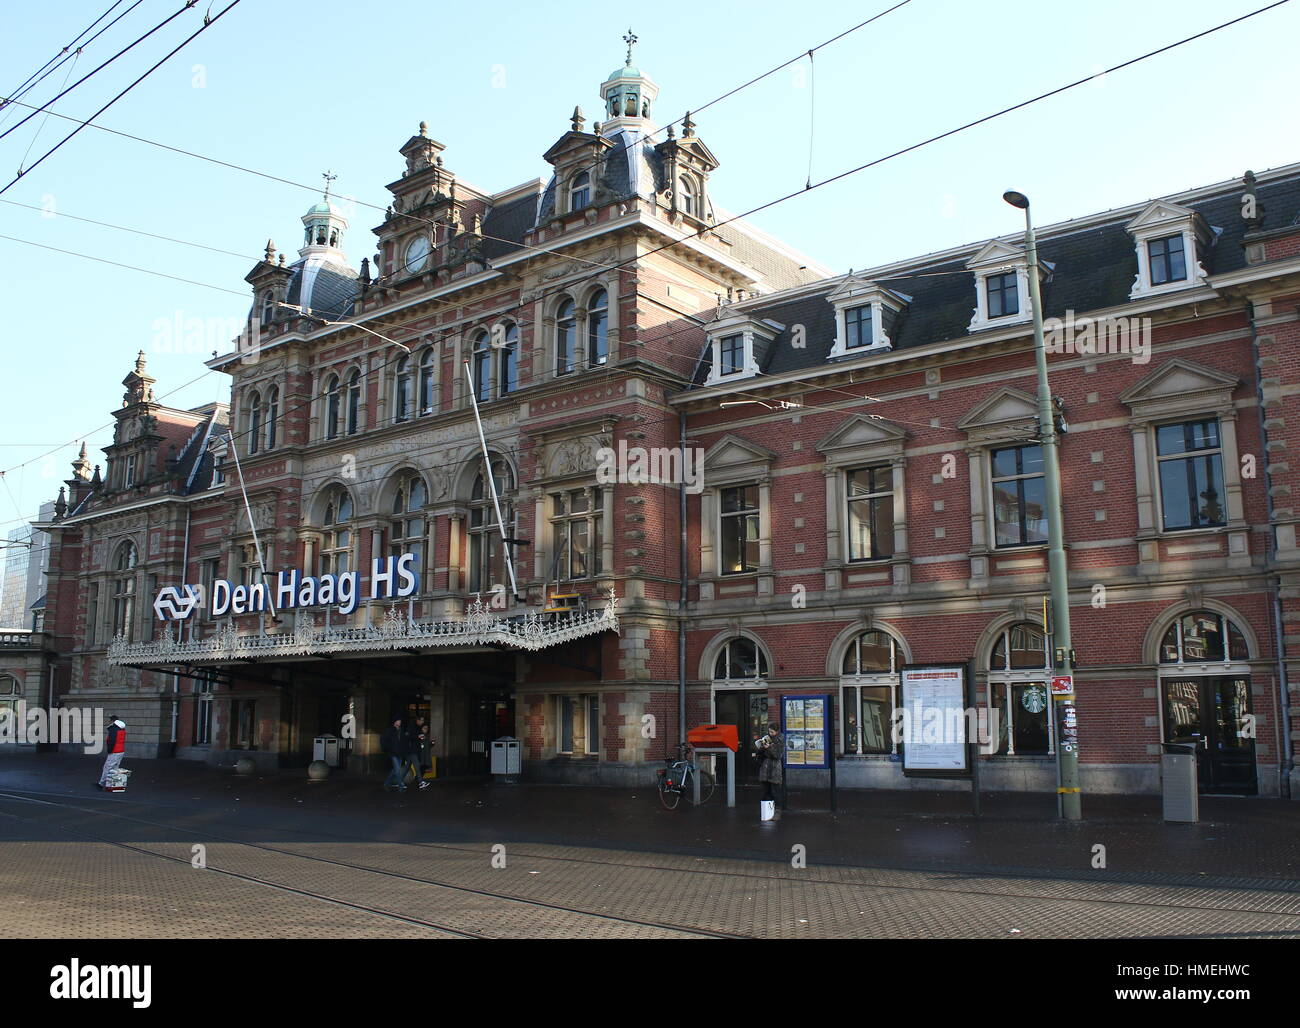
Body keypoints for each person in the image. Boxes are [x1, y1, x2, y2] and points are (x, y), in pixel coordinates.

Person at [754, 723, 785, 818]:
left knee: (776, 791)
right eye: (769, 731)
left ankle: (777, 812)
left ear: (776, 731)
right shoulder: (766, 738)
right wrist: (761, 747)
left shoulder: (780, 740)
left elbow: (777, 755)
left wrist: (770, 747)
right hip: (765, 767)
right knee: (765, 791)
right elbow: (761, 753)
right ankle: (766, 811)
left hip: (774, 768)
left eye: (772, 732)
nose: (770, 733)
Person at [95, 717, 126, 790]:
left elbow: (111, 741)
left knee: (107, 767)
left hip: (114, 751)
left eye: (110, 720)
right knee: (115, 768)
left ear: (113, 721)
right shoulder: (122, 728)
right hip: (121, 751)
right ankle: (113, 785)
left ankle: (101, 784)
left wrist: (109, 750)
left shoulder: (113, 729)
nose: (109, 722)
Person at [381, 716, 410, 791]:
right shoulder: (390, 730)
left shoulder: (402, 730)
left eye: (400, 721)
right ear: (394, 722)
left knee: (395, 770)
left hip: (400, 753)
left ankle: (387, 783)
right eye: (398, 721)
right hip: (392, 753)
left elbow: (404, 742)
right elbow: (383, 740)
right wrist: (387, 748)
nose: (399, 722)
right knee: (397, 769)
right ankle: (401, 784)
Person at [405, 716, 430, 790]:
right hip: (411, 750)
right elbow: (408, 737)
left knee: (407, 767)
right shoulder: (411, 726)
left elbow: (419, 737)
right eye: (421, 720)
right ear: (417, 720)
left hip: (415, 750)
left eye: (423, 720)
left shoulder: (419, 727)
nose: (422, 722)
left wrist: (422, 736)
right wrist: (418, 736)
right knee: (417, 766)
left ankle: (398, 781)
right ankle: (421, 782)